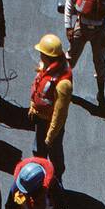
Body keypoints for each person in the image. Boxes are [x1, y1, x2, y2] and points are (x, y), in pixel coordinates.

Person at [28, 33, 72, 179]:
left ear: (48, 56)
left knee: (55, 155)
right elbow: (37, 86)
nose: (39, 55)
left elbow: (59, 115)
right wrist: (32, 106)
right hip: (40, 119)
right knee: (38, 151)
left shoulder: (63, 84)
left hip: (51, 125)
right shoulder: (45, 67)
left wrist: (50, 136)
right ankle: (39, 177)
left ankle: (56, 182)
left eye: (41, 53)